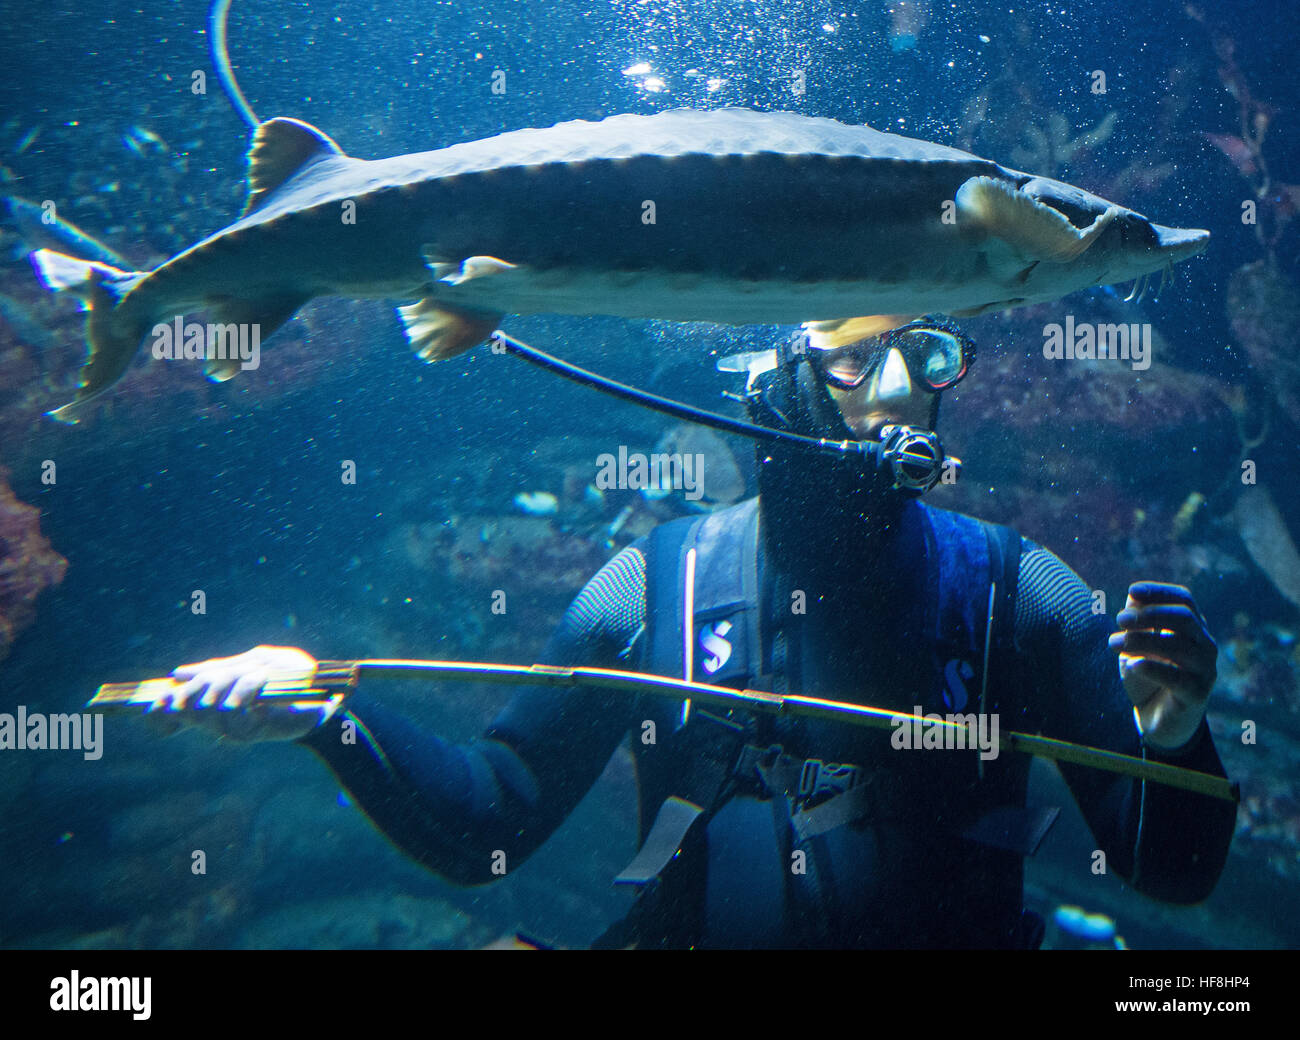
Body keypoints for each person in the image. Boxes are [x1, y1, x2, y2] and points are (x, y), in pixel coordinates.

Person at [155, 316, 1236, 948]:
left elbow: (1167, 868)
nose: (904, 388)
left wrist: (1179, 735)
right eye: (856, 355)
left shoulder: (1018, 589)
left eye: (929, 349)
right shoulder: (652, 586)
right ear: (775, 379)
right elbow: (492, 819)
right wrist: (324, 714)